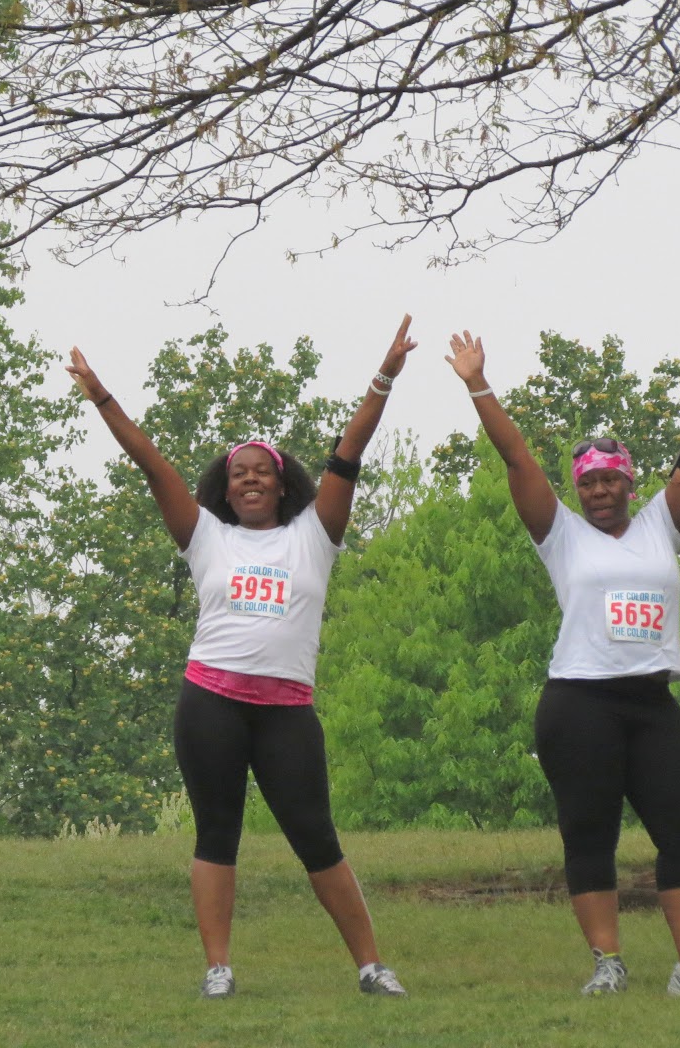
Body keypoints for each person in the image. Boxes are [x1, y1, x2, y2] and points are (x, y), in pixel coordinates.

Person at [65, 317, 417, 1000]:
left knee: (316, 836)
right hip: (212, 703)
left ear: (283, 484)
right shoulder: (206, 537)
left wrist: (385, 376)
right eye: (238, 475)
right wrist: (102, 395)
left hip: (286, 710)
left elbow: (350, 453)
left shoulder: (316, 534)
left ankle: (372, 966)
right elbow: (150, 462)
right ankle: (218, 970)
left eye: (263, 471)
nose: (251, 479)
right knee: (217, 832)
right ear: (224, 491)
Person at [445, 321, 680, 998]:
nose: (598, 492)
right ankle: (609, 964)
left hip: (652, 704)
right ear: (577, 489)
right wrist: (478, 383)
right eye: (586, 482)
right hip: (579, 704)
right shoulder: (559, 535)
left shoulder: (661, 524)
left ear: (628, 481)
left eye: (609, 480)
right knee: (589, 833)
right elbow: (517, 461)